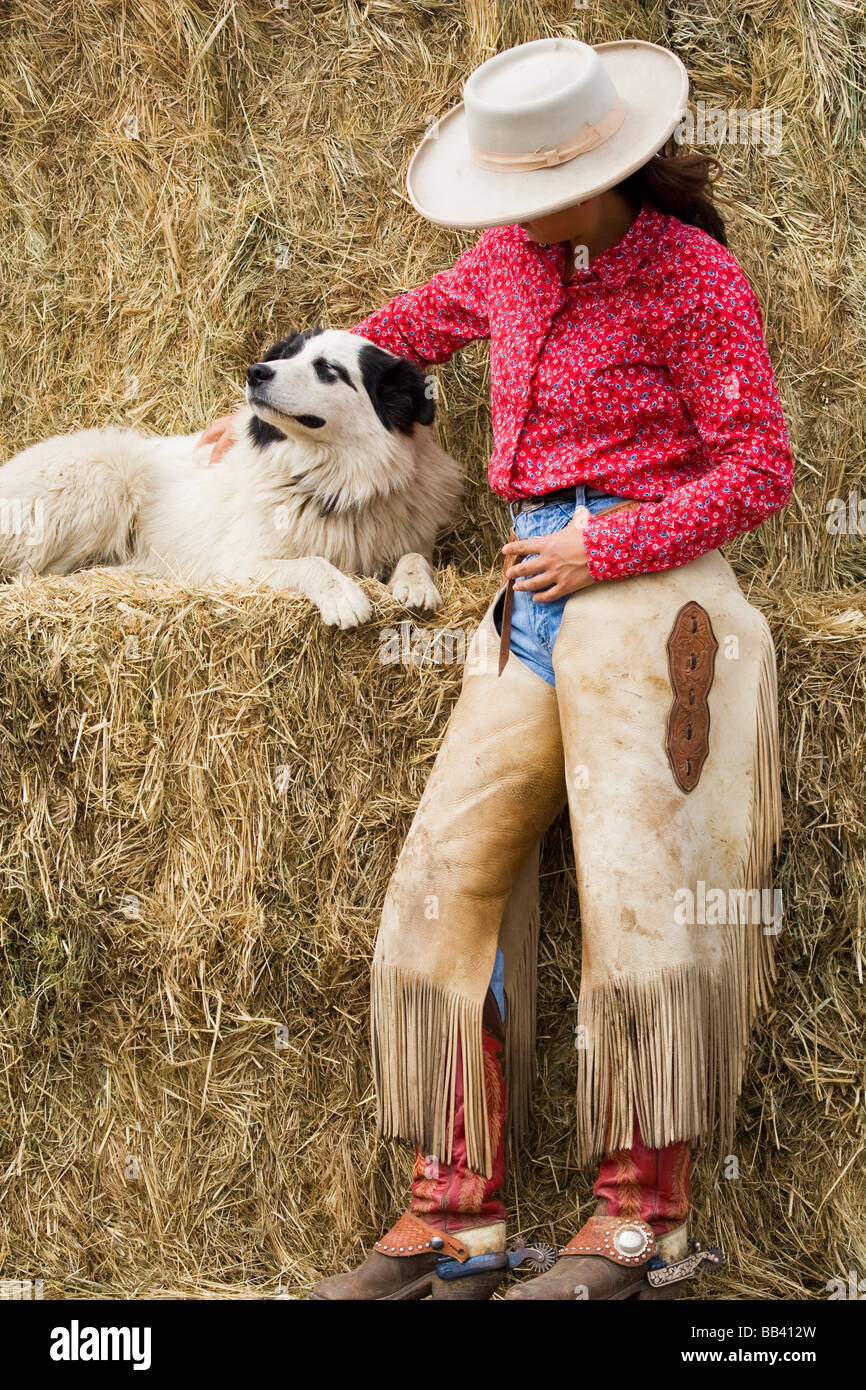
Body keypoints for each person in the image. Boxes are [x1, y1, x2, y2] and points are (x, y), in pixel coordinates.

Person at [205, 37, 792, 1301]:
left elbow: (758, 469)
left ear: (598, 167)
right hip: (530, 600)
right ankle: (455, 1220)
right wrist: (271, 410)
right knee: (441, 881)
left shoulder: (693, 278)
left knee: (640, 902)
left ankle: (644, 1226)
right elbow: (395, 336)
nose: (506, 210)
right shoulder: (507, 263)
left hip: (647, 597)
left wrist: (605, 543)